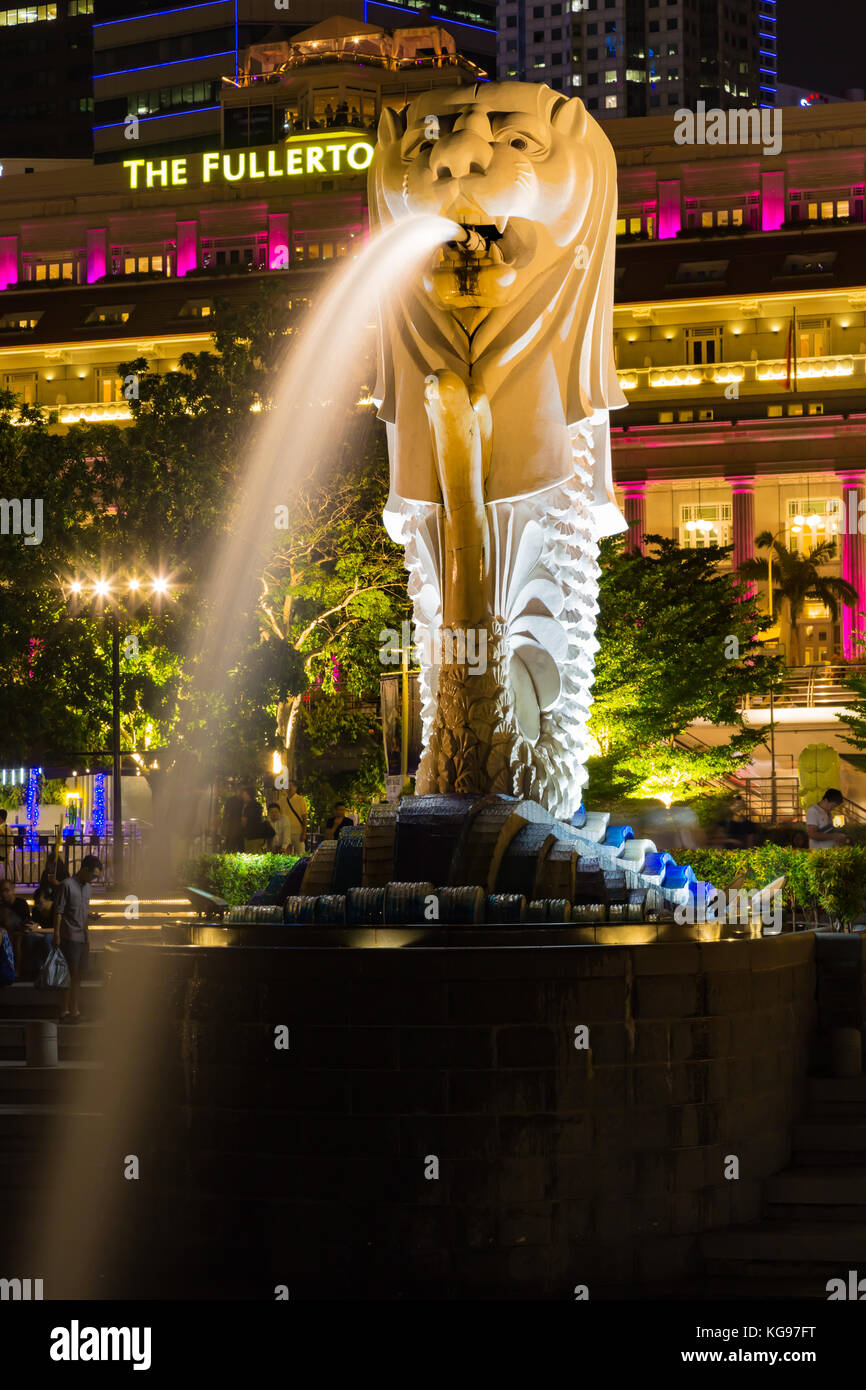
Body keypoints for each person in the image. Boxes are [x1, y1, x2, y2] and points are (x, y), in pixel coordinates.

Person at [51, 854, 101, 1024]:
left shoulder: (87, 888)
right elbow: (59, 911)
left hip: (83, 936)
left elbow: (83, 909)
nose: (93, 879)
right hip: (70, 936)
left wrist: (90, 916)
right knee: (69, 975)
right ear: (85, 870)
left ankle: (75, 1010)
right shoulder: (66, 885)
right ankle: (64, 1011)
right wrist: (56, 934)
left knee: (78, 976)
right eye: (93, 875)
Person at [33, 845, 69, 926]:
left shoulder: (63, 873)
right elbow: (42, 886)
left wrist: (57, 883)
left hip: (58, 898)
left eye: (53, 864)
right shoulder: (46, 873)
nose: (51, 866)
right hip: (47, 896)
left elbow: (67, 888)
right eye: (49, 864)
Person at [285, 779, 308, 855]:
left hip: (298, 832)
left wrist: (304, 833)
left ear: (296, 788)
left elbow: (305, 818)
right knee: (286, 856)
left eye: (292, 786)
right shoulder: (281, 800)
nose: (289, 788)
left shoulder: (301, 800)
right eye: (287, 786)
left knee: (301, 854)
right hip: (285, 833)